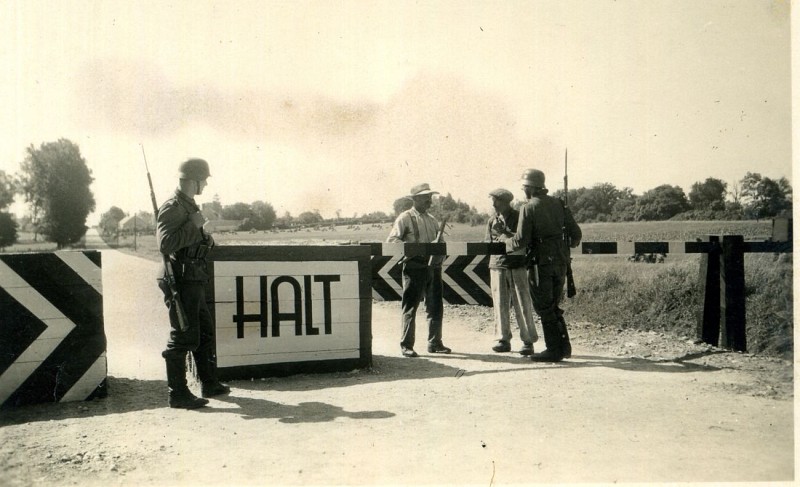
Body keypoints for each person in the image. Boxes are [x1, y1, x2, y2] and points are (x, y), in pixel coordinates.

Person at [156, 158, 230, 409]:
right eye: (204, 180)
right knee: (183, 334)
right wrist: (194, 225)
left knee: (204, 332)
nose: (206, 184)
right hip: (180, 279)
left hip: (193, 277)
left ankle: (209, 383)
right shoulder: (174, 207)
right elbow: (165, 244)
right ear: (193, 180)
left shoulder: (188, 207)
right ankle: (177, 394)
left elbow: (190, 240)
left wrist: (204, 238)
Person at [504, 169, 581, 362]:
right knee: (554, 305)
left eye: (524, 187)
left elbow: (520, 241)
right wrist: (563, 246)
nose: (523, 190)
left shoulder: (528, 208)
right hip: (561, 263)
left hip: (540, 264)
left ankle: (553, 350)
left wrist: (505, 241)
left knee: (544, 307)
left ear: (530, 187)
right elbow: (576, 235)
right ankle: (564, 347)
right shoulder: (559, 204)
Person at [387, 183, 451, 357]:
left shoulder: (432, 220)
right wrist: (415, 249)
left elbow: (441, 243)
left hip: (433, 269)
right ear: (415, 199)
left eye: (430, 197)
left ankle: (435, 343)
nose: (429, 200)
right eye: (425, 197)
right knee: (410, 306)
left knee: (435, 306)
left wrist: (439, 252)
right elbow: (392, 242)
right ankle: (406, 345)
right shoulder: (405, 218)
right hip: (414, 267)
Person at [485, 188, 539, 355]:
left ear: (506, 201)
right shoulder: (491, 220)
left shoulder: (518, 217)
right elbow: (487, 242)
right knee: (500, 304)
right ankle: (502, 339)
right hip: (497, 265)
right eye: (492, 200)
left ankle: (528, 341)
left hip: (516, 265)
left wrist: (504, 233)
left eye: (496, 200)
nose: (493, 204)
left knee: (522, 303)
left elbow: (523, 239)